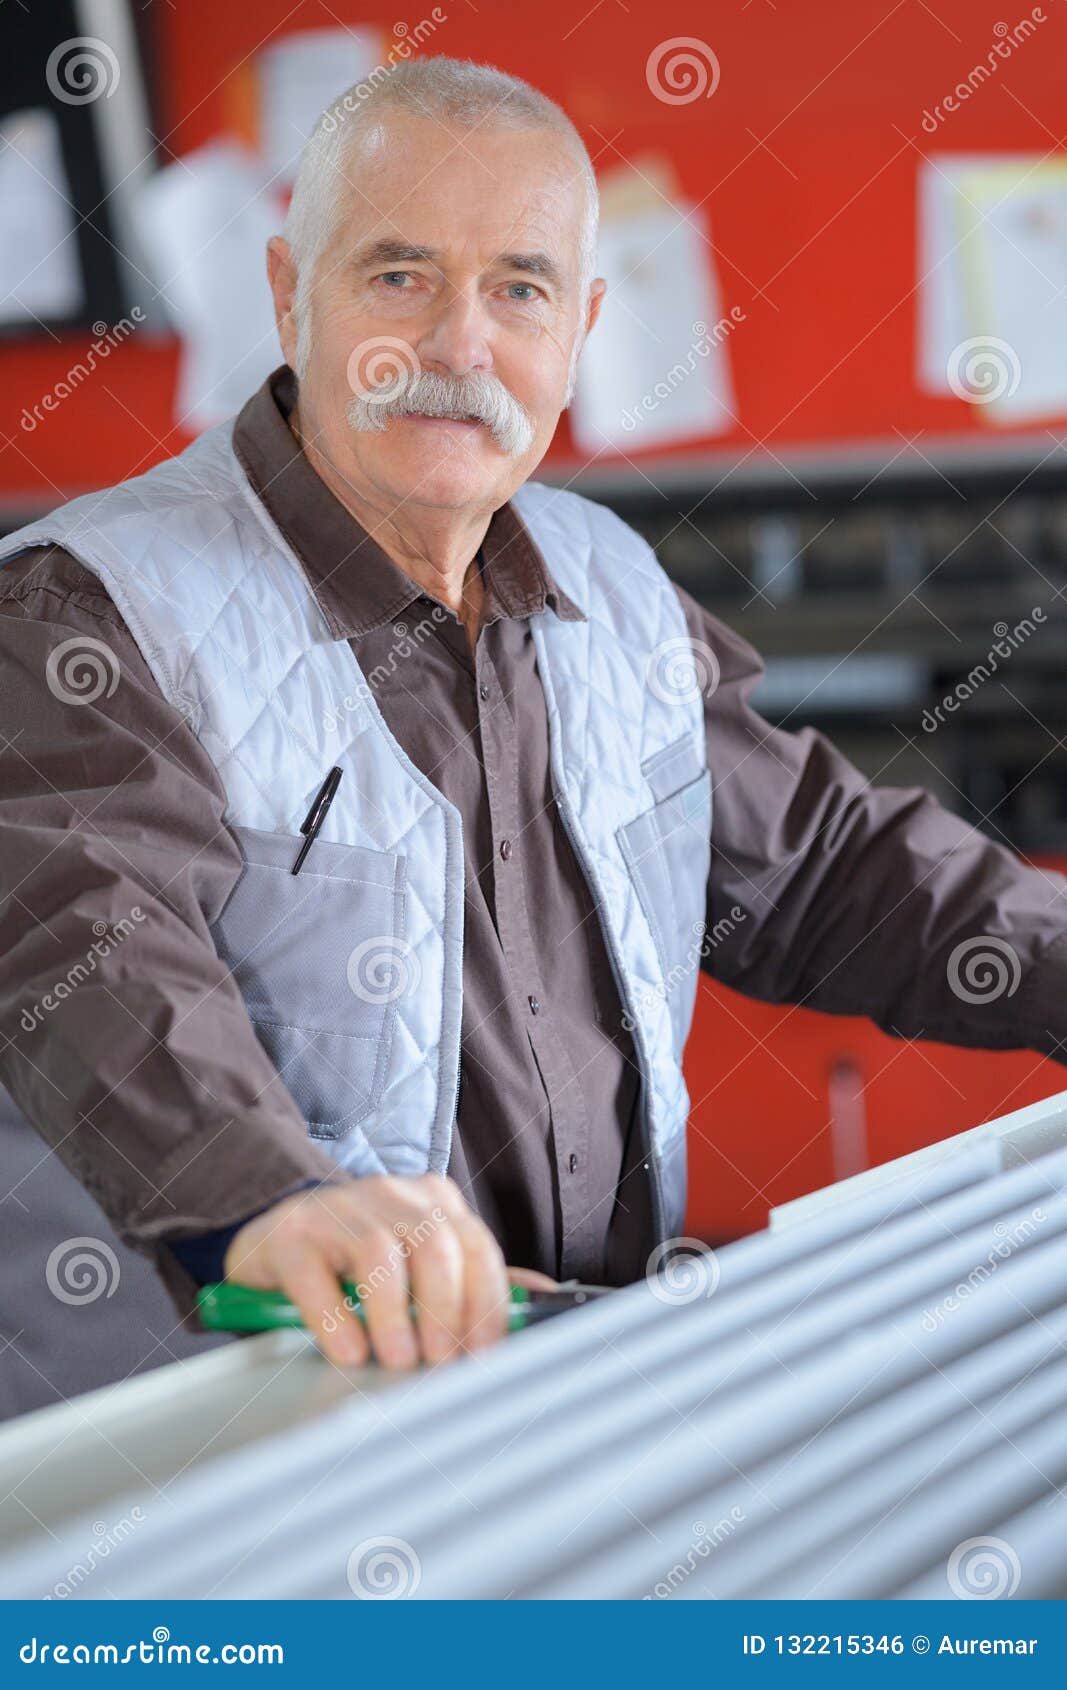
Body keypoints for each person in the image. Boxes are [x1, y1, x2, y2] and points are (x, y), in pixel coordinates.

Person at [1, 57, 1065, 1416]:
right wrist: (261, 1195)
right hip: (246, 1450)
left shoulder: (605, 581)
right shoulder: (88, 607)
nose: (459, 344)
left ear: (582, 323)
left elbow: (825, 868)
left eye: (519, 287)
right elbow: (89, 950)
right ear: (286, 292)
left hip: (563, 1395)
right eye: (397, 275)